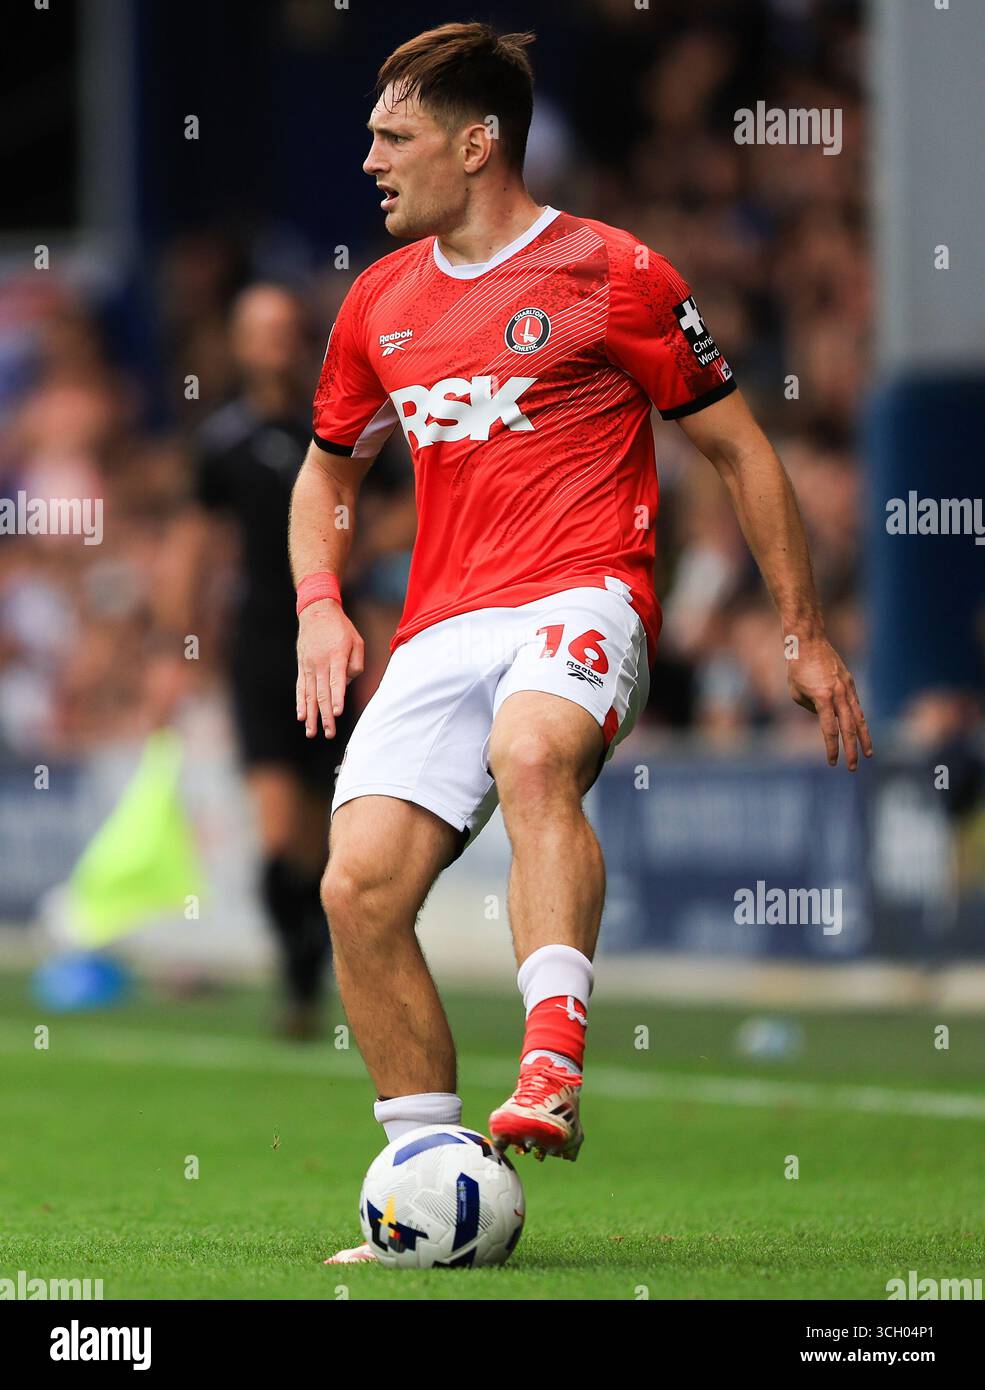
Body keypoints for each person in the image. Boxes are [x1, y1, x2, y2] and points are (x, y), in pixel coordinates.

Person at [288, 23, 872, 1261]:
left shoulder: (614, 273)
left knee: (533, 751)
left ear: (476, 142)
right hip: (440, 622)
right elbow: (328, 467)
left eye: (393, 138)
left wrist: (802, 632)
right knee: (357, 888)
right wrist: (318, 600)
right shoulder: (376, 304)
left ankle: (549, 1059)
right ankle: (427, 1183)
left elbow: (738, 448)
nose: (370, 163)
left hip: (583, 590)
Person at [167, 284, 353, 1039]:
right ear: (241, 346)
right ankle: (300, 979)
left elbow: (402, 505)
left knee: (323, 837)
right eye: (261, 331)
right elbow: (196, 545)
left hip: (335, 644)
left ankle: (310, 973)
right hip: (262, 648)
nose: (275, 343)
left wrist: (360, 557)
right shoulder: (222, 443)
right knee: (279, 836)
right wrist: (178, 640)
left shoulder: (341, 427)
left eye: (286, 329)